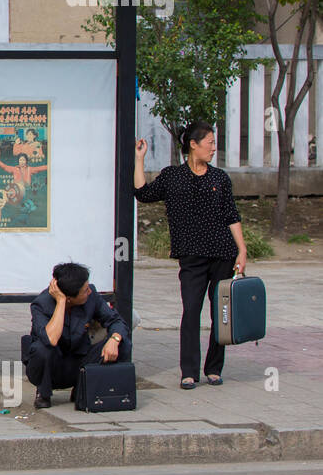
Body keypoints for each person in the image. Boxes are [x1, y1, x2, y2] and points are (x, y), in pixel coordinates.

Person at [134, 123, 247, 389]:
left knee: (221, 313)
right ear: (193, 145)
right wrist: (139, 159)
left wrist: (241, 250)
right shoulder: (172, 176)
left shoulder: (220, 178)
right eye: (209, 142)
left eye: (214, 142)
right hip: (191, 257)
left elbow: (232, 216)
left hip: (223, 254)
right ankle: (189, 371)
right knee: (191, 310)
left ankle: (214, 368)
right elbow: (143, 193)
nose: (213, 147)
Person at [24, 262, 131, 408]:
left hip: (81, 358)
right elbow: (51, 339)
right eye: (84, 290)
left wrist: (114, 339)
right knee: (42, 348)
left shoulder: (91, 296)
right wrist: (61, 302)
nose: (89, 292)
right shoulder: (41, 305)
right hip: (52, 366)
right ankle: (44, 394)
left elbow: (116, 320)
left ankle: (86, 386)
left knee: (122, 343)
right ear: (69, 297)